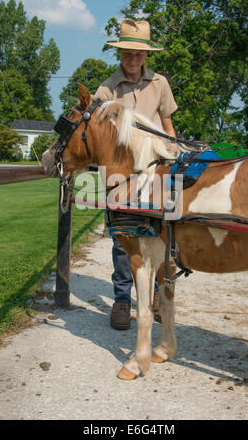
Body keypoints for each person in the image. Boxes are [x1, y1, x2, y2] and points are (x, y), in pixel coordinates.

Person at [95, 19, 178, 330]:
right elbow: (100, 135)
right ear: (120, 53)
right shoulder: (106, 89)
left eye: (139, 55)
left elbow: (169, 128)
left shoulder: (160, 83)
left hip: (157, 170)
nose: (133, 60)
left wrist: (174, 152)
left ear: (146, 55)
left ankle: (158, 296)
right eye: (128, 53)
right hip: (121, 175)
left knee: (162, 234)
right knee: (122, 240)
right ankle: (121, 300)